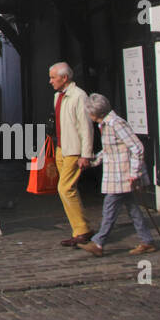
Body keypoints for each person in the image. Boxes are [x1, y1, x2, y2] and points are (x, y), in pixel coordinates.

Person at [80, 94, 156, 256]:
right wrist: (92, 162)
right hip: (116, 176)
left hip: (123, 176)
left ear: (96, 113)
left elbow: (137, 148)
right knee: (133, 209)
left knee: (109, 208)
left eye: (90, 113)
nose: (89, 116)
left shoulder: (116, 124)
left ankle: (98, 243)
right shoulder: (105, 125)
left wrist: (134, 173)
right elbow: (109, 150)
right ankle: (147, 240)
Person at [49, 62, 95, 246]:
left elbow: (86, 127)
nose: (50, 81)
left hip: (74, 150)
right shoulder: (58, 96)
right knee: (68, 189)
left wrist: (86, 154)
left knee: (65, 188)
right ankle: (80, 228)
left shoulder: (79, 96)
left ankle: (82, 230)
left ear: (64, 78)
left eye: (53, 77)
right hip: (62, 148)